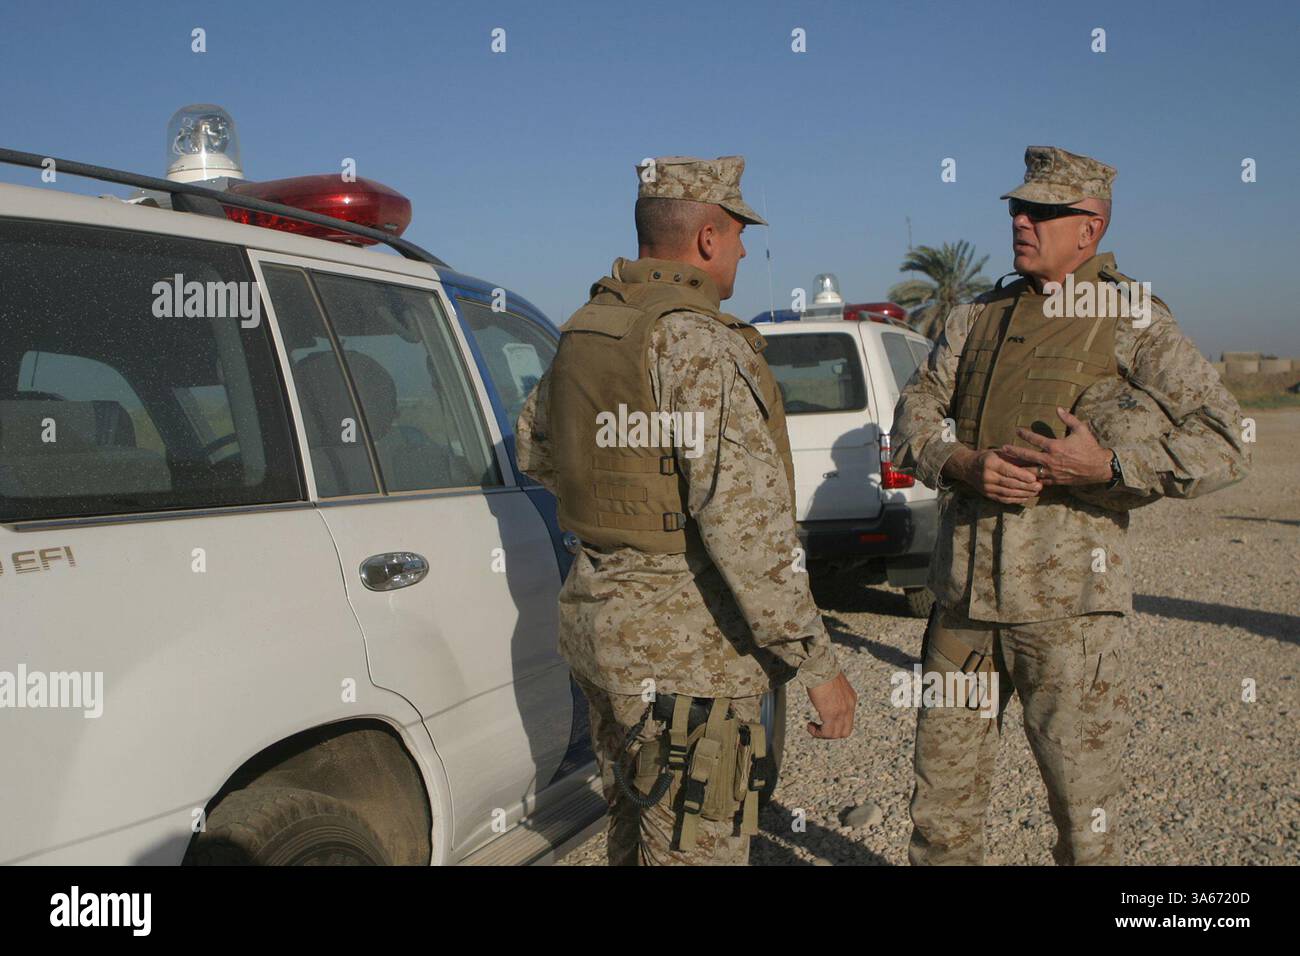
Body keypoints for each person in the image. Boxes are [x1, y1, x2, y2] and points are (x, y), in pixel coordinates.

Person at [892, 145, 1251, 865]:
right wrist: (965, 463)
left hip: (1069, 619)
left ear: (1089, 228)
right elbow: (909, 426)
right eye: (1018, 208)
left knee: (1082, 820)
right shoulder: (974, 319)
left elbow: (1227, 441)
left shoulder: (1130, 319)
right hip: (962, 610)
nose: (1023, 221)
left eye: (1044, 211)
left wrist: (1109, 465)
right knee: (942, 814)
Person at [516, 155, 856, 865]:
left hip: (599, 631)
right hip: (687, 659)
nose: (738, 253)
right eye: (737, 237)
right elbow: (747, 528)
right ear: (707, 238)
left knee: (632, 826)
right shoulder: (697, 341)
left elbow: (538, 455)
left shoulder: (583, 330)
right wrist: (817, 665)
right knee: (693, 844)